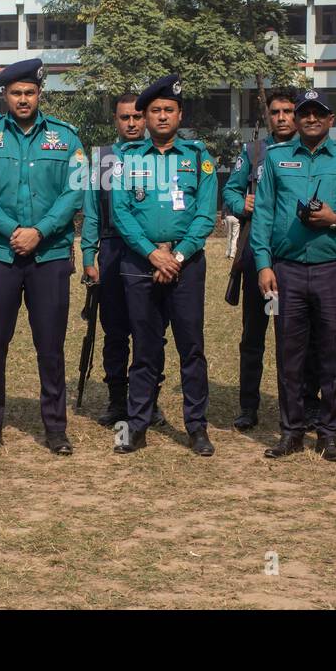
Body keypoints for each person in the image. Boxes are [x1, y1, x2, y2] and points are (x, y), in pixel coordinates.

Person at [0, 58, 85, 456]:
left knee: (50, 344)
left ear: (39, 94)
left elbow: (75, 190)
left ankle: (55, 429)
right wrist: (12, 232)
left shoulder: (67, 138)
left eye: (30, 92)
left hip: (49, 256)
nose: (23, 99)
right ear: (4, 96)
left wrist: (40, 231)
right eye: (16, 93)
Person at [252, 88, 336, 460]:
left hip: (332, 270)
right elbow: (264, 213)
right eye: (304, 113)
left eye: (317, 114)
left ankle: (328, 433)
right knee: (289, 354)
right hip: (286, 271)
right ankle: (290, 432)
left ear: (330, 120)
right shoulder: (275, 158)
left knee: (331, 355)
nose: (309, 119)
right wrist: (262, 264)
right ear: (296, 118)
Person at [110, 75, 218, 456]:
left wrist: (176, 256)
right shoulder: (125, 159)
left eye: (167, 109)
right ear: (145, 116)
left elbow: (206, 215)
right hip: (140, 265)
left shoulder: (199, 157)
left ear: (179, 114)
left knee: (192, 349)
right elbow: (120, 212)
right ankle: (137, 425)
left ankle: (196, 427)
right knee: (144, 349)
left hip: (186, 266)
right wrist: (152, 253)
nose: (160, 116)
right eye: (153, 110)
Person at [224, 90, 322, 431]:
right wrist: (242, 204)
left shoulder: (312, 150)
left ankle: (306, 405)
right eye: (275, 111)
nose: (282, 117)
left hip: (294, 260)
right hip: (256, 259)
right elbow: (230, 192)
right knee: (254, 336)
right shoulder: (253, 153)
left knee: (299, 339)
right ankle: (248, 407)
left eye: (288, 111)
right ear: (267, 115)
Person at [81, 93, 149, 427]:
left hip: (149, 252)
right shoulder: (104, 158)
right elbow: (93, 209)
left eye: (138, 117)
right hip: (111, 248)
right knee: (115, 329)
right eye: (125, 118)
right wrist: (87, 253)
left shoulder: (159, 156)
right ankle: (117, 401)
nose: (132, 123)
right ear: (116, 121)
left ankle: (146, 401)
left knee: (149, 331)